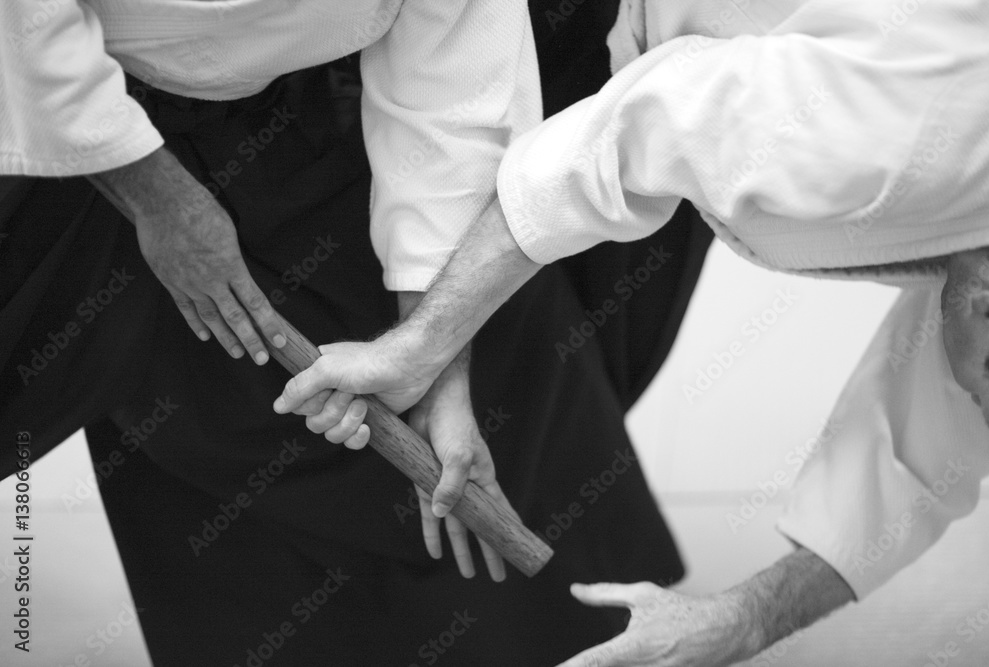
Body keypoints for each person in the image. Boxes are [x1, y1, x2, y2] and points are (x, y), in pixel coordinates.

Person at [274, 0, 989, 664]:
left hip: (676, 87)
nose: (974, 399)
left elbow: (926, 451)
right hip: (568, 34)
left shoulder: (974, 269)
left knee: (573, 357)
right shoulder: (915, 131)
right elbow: (643, 130)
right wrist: (424, 339)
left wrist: (743, 619)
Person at [0, 1, 715, 664]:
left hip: (311, 116)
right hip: (78, 123)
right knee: (199, 424)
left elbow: (451, 103)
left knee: (490, 391)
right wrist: (156, 194)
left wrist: (436, 354)